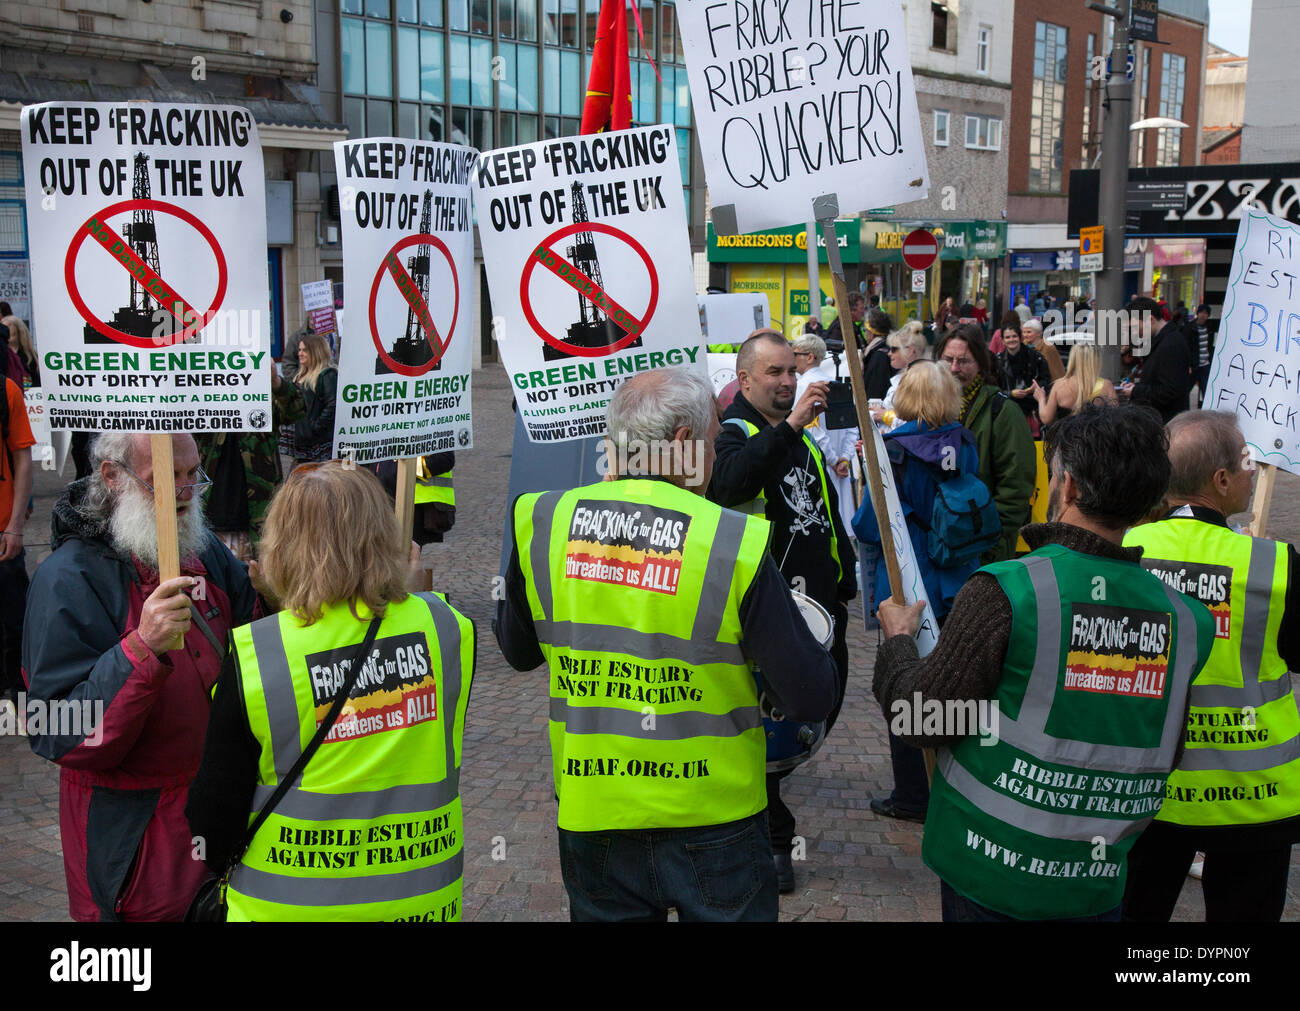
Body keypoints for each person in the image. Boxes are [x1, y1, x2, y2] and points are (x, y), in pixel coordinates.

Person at [495, 367, 837, 921]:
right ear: (683, 442)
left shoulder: (545, 518)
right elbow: (810, 696)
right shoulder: (730, 539)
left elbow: (518, 650)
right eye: (714, 435)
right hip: (713, 814)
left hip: (594, 812)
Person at [874, 405, 1214, 921]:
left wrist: (899, 641)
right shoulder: (1187, 619)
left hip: (988, 872)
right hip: (1096, 882)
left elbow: (920, 717)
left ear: (1069, 487)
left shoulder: (1009, 589)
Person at [186, 462, 472, 921]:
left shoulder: (258, 654)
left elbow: (212, 826)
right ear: (385, 535)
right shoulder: (448, 628)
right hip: (423, 902)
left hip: (291, 908)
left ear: (282, 545)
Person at [22, 432, 259, 921]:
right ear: (113, 478)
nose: (187, 492)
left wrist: (281, 591)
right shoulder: (66, 580)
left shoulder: (205, 550)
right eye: (167, 480)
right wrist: (141, 649)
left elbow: (256, 640)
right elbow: (57, 731)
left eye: (194, 475)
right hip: (133, 843)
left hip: (215, 818)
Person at [1123, 412, 1300, 922]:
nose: (1253, 471)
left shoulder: (1125, 551)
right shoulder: (1275, 564)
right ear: (1220, 481)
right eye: (1247, 462)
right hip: (1253, 797)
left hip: (1147, 793)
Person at [706, 332, 857, 892]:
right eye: (774, 373)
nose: (788, 381)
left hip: (819, 611)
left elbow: (822, 512)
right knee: (769, 727)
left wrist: (844, 583)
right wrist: (789, 427)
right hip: (768, 614)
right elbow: (728, 483)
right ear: (745, 380)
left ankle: (760, 822)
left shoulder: (805, 440)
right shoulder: (735, 432)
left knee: (814, 713)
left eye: (791, 371)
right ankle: (769, 843)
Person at [854, 362, 984, 823]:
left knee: (904, 679)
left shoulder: (891, 449)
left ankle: (913, 792)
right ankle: (954, 782)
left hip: (910, 585)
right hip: (960, 580)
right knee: (955, 684)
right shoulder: (964, 443)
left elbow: (869, 525)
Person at [936, 324, 1036, 563]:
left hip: (984, 551)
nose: (954, 368)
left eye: (964, 361)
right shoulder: (932, 409)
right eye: (947, 359)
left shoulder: (1003, 412)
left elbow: (1016, 487)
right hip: (940, 548)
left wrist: (990, 537)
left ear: (980, 363)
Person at [197, 360, 304, 562]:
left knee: (258, 586)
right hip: (210, 520)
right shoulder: (203, 392)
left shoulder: (263, 393)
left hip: (258, 519)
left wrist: (275, 382)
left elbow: (297, 410)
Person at [793, 332, 856, 533]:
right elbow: (852, 428)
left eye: (796, 354)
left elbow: (811, 428)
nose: (792, 359)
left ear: (810, 357)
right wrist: (845, 458)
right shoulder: (838, 385)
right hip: (839, 466)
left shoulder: (803, 386)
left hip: (821, 464)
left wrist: (834, 460)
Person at [0, 377, 34, 710]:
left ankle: (23, 697)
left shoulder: (6, 390)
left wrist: (15, 525)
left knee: (16, 622)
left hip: (3, 533)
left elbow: (23, 458)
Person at [1129, 295, 1193, 423]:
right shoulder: (1164, 339)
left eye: (1136, 327)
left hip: (1167, 422)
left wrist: (1136, 390)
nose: (1135, 332)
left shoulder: (1171, 344)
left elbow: (1169, 391)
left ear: (1150, 319)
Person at [1032, 344, 1116, 426]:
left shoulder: (1059, 385)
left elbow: (1046, 419)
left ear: (1073, 359)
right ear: (1096, 360)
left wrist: (1041, 399)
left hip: (1066, 437)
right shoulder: (1106, 385)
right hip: (1096, 437)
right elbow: (1115, 417)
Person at [994, 319, 1052, 436]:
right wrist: (1011, 393)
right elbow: (993, 389)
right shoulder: (997, 361)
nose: (1011, 340)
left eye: (1014, 336)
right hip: (1006, 411)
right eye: (1008, 337)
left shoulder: (1036, 357)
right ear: (1003, 341)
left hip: (1032, 411)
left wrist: (1035, 388)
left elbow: (1046, 380)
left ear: (1020, 338)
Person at [288, 334, 338, 464]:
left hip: (319, 442)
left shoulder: (327, 375)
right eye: (299, 350)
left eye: (305, 350)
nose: (300, 353)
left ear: (316, 351)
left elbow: (332, 405)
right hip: (302, 440)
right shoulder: (300, 375)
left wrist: (315, 427)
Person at [871, 322, 928, 430]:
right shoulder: (903, 376)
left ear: (910, 351)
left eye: (893, 349)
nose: (889, 353)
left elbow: (918, 423)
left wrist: (885, 416)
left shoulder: (920, 381)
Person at [1183, 303, 1218, 408]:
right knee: (1185, 390)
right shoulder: (1189, 328)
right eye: (1201, 312)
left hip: (1205, 364)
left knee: (1206, 390)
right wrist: (1187, 364)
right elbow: (1186, 347)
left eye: (1206, 313)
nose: (1203, 315)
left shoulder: (1210, 327)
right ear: (1197, 313)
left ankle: (1206, 411)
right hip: (1193, 365)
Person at [0, 302, 37, 389]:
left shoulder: (31, 358)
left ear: (19, 331)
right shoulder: (4, 354)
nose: (5, 329)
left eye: (8, 326)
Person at [1021, 318, 1064, 384]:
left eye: (1029, 332)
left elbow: (1056, 371)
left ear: (1038, 333)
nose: (1025, 335)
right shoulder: (1022, 346)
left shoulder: (1048, 347)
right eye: (1024, 332)